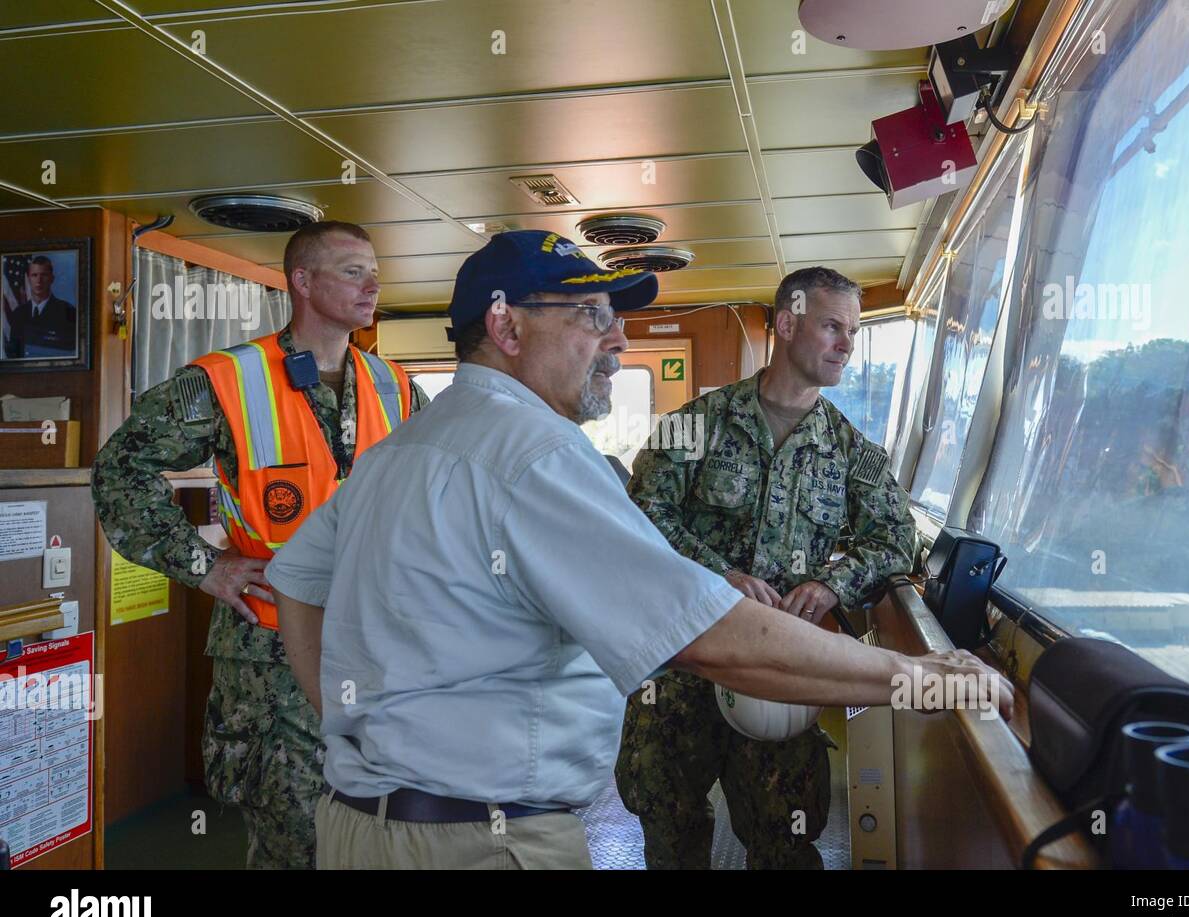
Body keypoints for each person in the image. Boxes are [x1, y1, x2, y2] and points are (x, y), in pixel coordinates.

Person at [265, 229, 1010, 870]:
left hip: (359, 824)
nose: (617, 338)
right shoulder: (534, 455)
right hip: (481, 841)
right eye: (591, 315)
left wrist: (355, 719)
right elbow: (714, 637)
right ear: (507, 326)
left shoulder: (403, 448)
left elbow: (297, 579)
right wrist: (921, 677)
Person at [92, 221, 427, 868]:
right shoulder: (225, 381)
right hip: (271, 654)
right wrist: (204, 565)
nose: (372, 284)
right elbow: (119, 469)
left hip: (379, 646)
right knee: (294, 840)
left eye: (374, 271)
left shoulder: (399, 386)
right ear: (302, 281)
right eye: (352, 270)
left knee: (379, 828)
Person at [614, 266, 915, 869]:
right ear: (786, 322)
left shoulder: (852, 452)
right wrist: (717, 576)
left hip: (781, 669)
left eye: (852, 331)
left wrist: (833, 584)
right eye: (832, 326)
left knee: (786, 837)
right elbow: (641, 514)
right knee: (668, 824)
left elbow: (895, 539)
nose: (846, 344)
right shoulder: (696, 425)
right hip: (684, 660)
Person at [5, 255, 77, 357]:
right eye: (34, 275)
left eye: (44, 275)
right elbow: (14, 355)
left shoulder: (68, 312)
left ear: (52, 279)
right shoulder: (18, 314)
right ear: (29, 279)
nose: (39, 281)